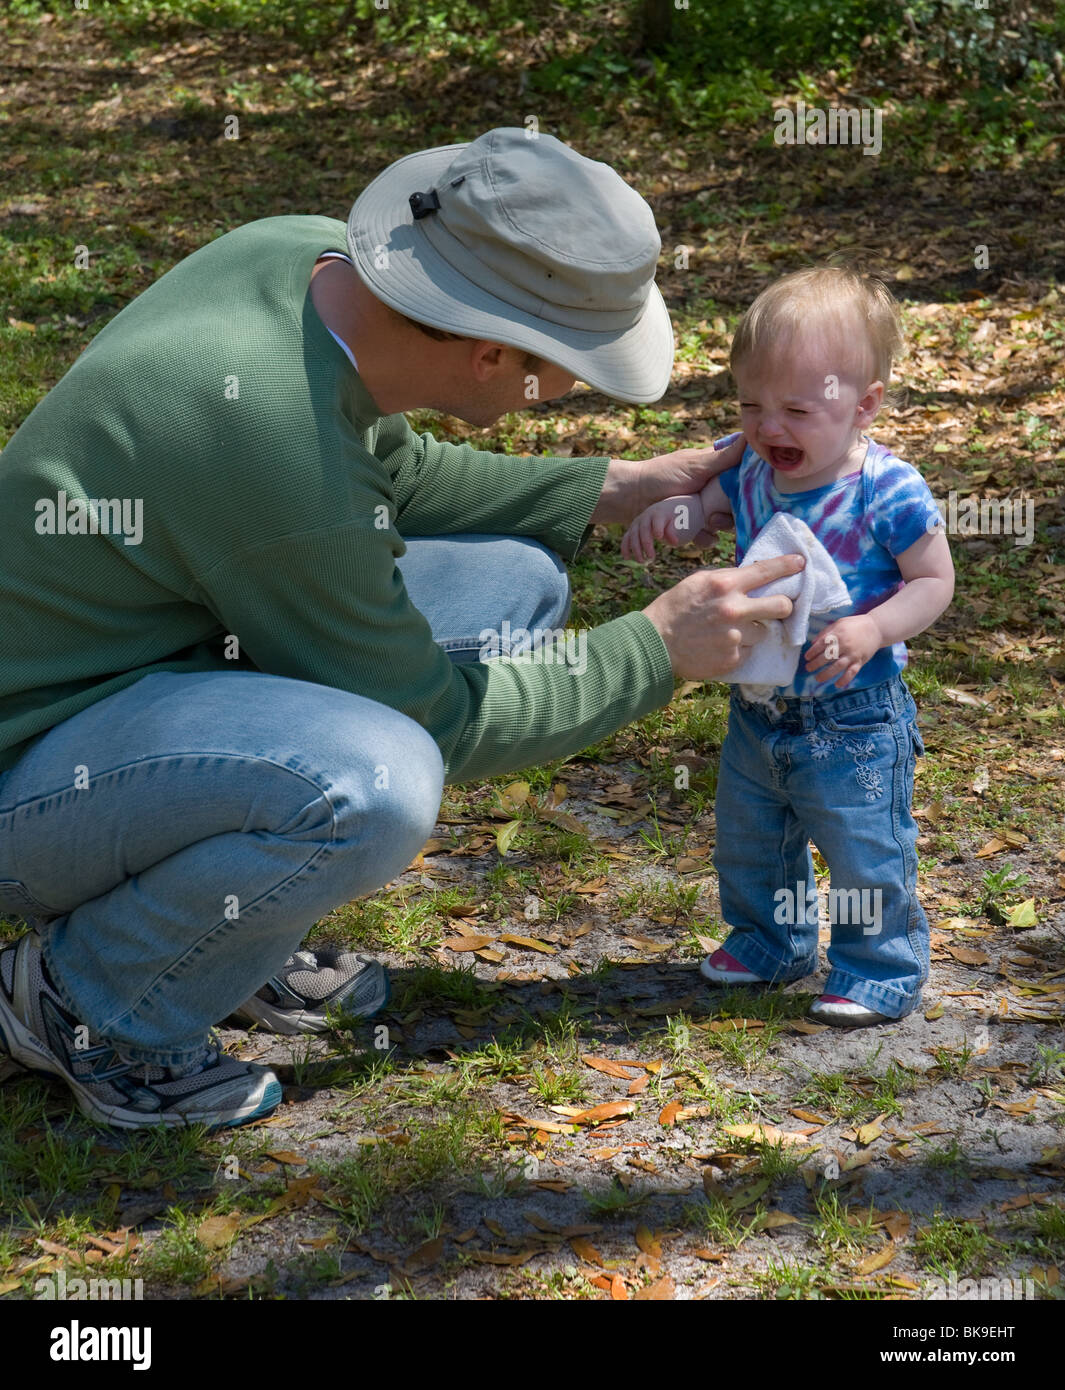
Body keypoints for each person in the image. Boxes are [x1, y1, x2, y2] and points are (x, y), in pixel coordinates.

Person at [0, 127, 804, 1129]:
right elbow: (435, 715)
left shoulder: (299, 261)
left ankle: (221, 933)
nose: (568, 388)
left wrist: (610, 486)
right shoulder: (270, 439)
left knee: (512, 585)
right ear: (486, 356)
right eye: (567, 367)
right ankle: (85, 1003)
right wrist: (656, 649)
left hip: (147, 677)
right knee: (375, 782)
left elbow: (390, 473)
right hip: (33, 768)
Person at [622, 264, 954, 1026]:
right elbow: (701, 505)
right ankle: (769, 940)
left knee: (863, 848)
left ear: (862, 405)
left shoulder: (886, 488)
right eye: (749, 404)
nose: (769, 427)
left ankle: (879, 967)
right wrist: (675, 515)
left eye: (795, 410)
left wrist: (871, 627)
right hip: (759, 703)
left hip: (855, 717)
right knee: (751, 837)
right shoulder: (748, 465)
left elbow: (933, 582)